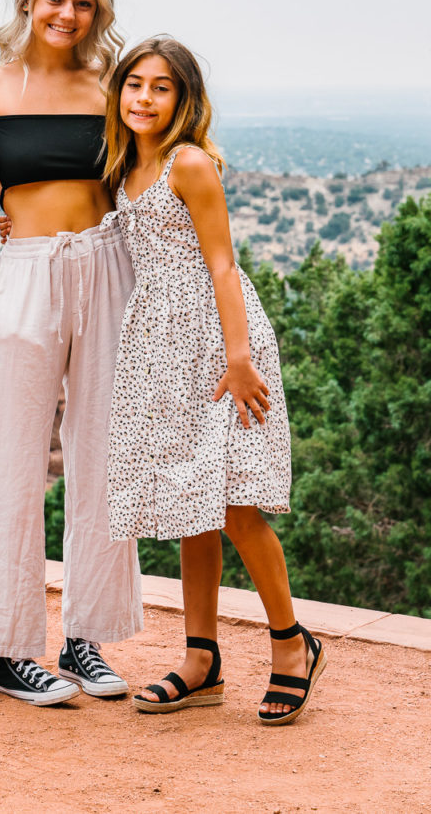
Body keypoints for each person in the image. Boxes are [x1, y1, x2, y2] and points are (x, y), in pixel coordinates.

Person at [102, 37, 321, 725]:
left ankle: (292, 646)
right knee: (188, 500)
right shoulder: (120, 167)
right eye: (134, 83)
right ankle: (202, 657)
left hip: (219, 343)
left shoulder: (187, 164)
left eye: (160, 87)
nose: (143, 97)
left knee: (233, 504)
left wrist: (239, 356)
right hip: (158, 347)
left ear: (184, 98)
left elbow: (222, 265)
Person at [0, 0, 142, 705]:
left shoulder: (112, 86)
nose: (67, 13)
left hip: (106, 265)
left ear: (97, 12)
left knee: (100, 458)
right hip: (23, 272)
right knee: (10, 463)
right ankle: (7, 648)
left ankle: (85, 639)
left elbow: (144, 180)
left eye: (83, 2)